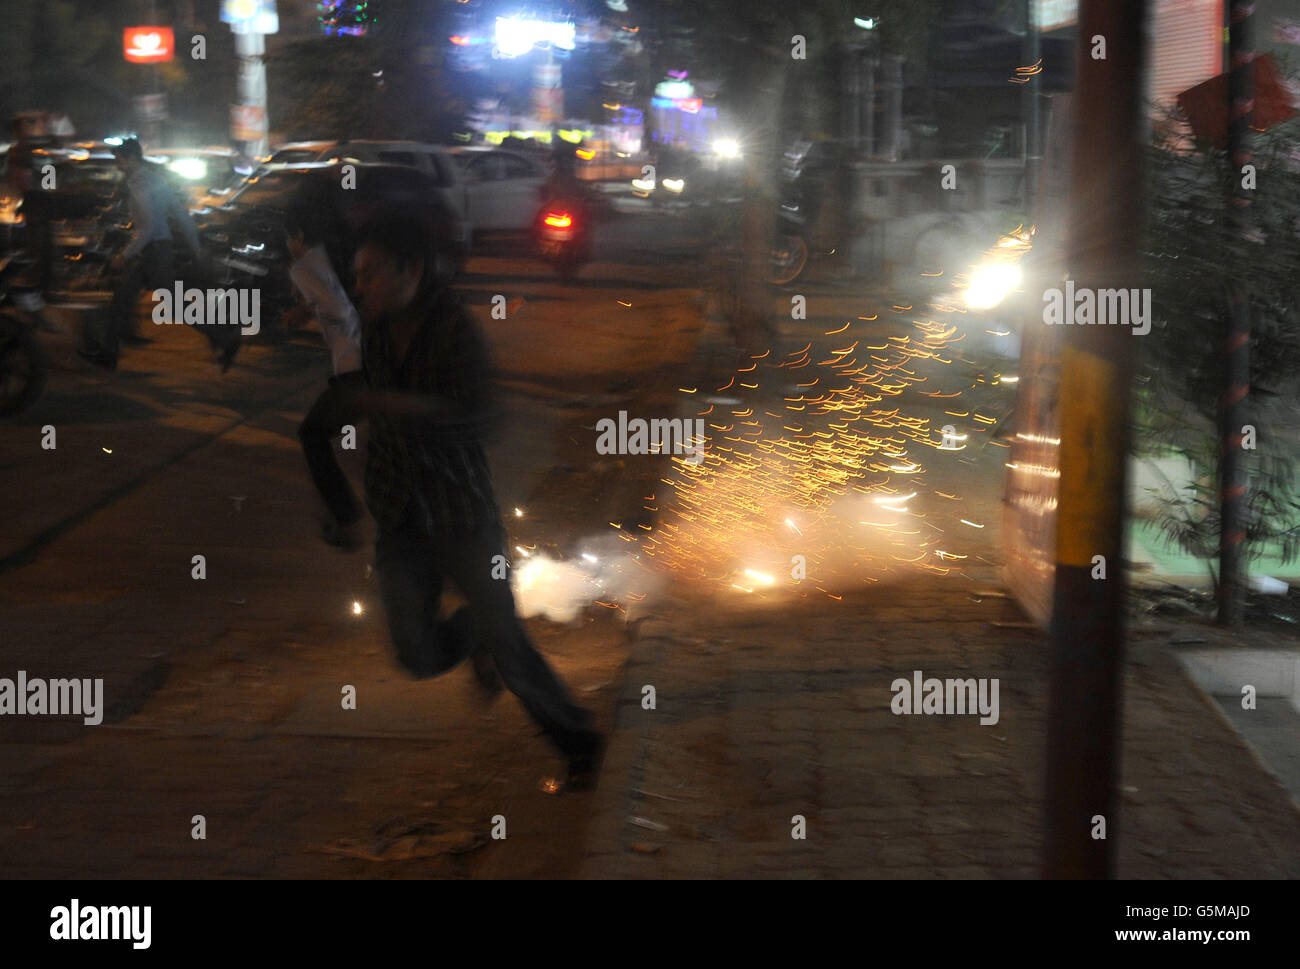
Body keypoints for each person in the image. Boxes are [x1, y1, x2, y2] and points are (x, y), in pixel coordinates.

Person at [310, 211, 606, 790]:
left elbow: (482, 417)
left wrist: (393, 405)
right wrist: (341, 500)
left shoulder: (454, 331)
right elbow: (343, 416)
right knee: (416, 653)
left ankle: (579, 743)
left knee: (513, 651)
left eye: (370, 272)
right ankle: (473, 633)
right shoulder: (374, 330)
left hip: (462, 515)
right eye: (357, 273)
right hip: (399, 517)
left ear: (411, 270)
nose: (359, 285)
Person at [81, 138, 237, 371]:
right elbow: (181, 216)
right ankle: (108, 355)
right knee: (122, 299)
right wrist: (195, 248)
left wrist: (124, 254)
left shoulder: (140, 184)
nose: (117, 164)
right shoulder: (155, 180)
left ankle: (225, 338)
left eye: (120, 159)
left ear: (132, 158)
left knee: (175, 305)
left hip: (154, 251)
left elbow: (149, 227)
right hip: (155, 251)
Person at [289, 201, 366, 547]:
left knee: (312, 435)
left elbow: (339, 309)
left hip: (357, 370)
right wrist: (308, 308)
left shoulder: (304, 265)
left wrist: (311, 308)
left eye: (287, 240)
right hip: (377, 364)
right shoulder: (335, 253)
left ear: (299, 236)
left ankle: (347, 518)